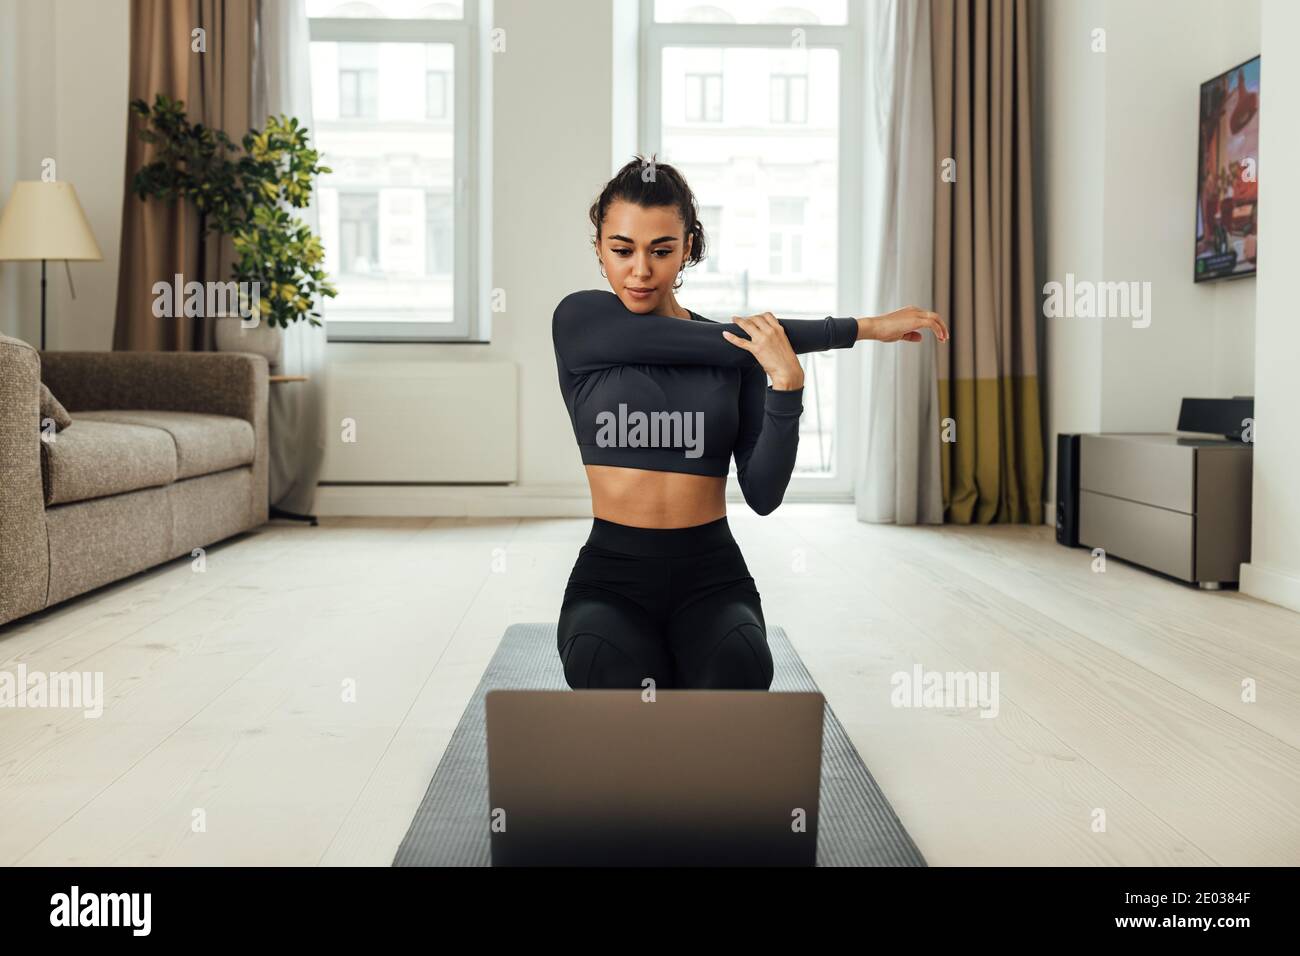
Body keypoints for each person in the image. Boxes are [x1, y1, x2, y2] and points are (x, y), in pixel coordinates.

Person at [552, 154, 947, 690]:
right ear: (600, 248)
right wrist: (865, 327)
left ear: (688, 247)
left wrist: (787, 389)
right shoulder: (581, 322)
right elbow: (730, 343)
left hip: (710, 576)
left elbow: (762, 495)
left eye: (661, 250)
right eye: (622, 250)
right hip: (611, 578)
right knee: (612, 674)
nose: (640, 270)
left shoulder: (735, 359)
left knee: (738, 678)